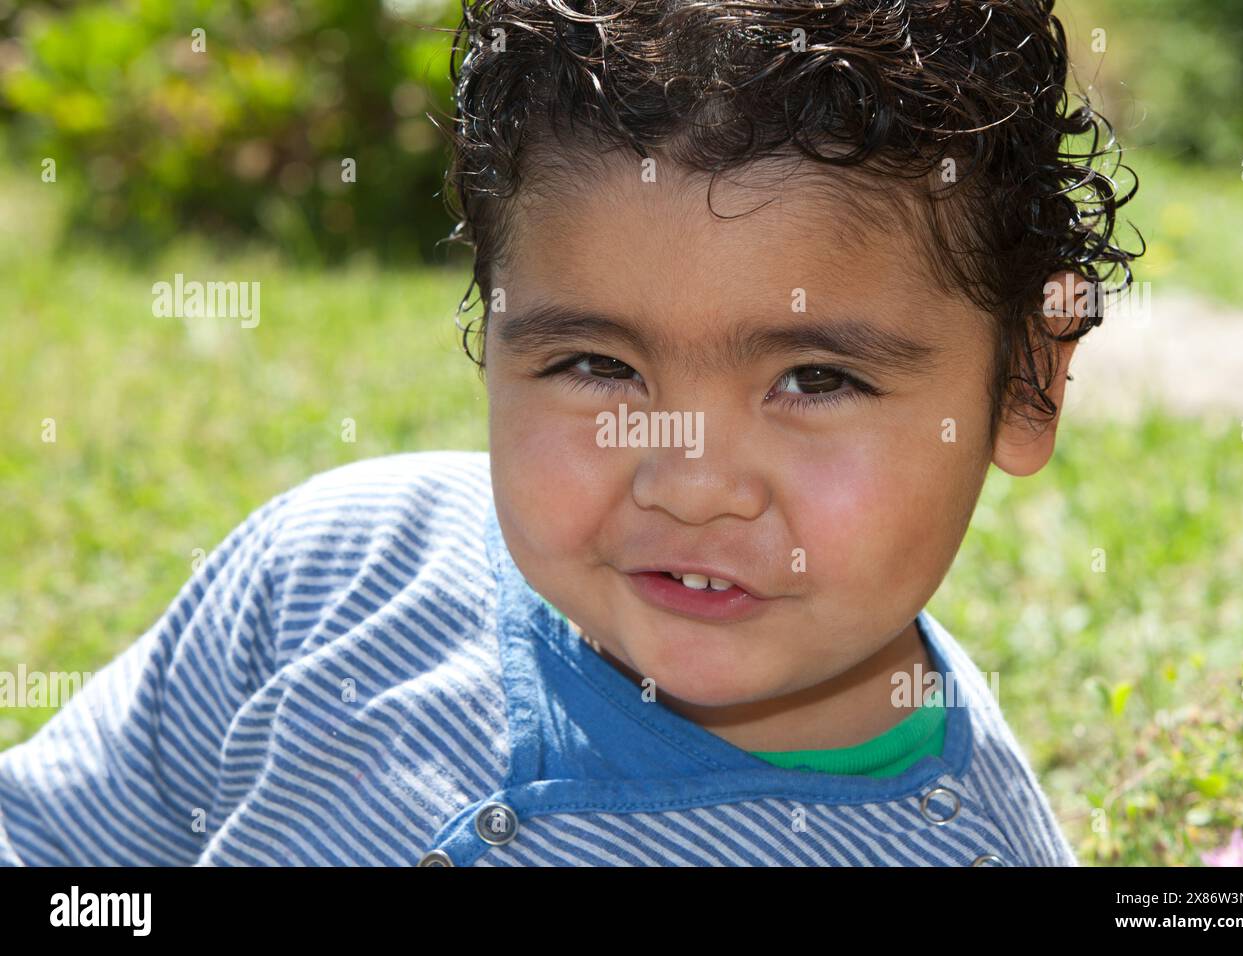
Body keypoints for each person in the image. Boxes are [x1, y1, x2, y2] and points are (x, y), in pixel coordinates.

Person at [0, 0, 1140, 866]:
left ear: (1025, 383)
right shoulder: (339, 569)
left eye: (815, 376)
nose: (689, 484)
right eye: (597, 365)